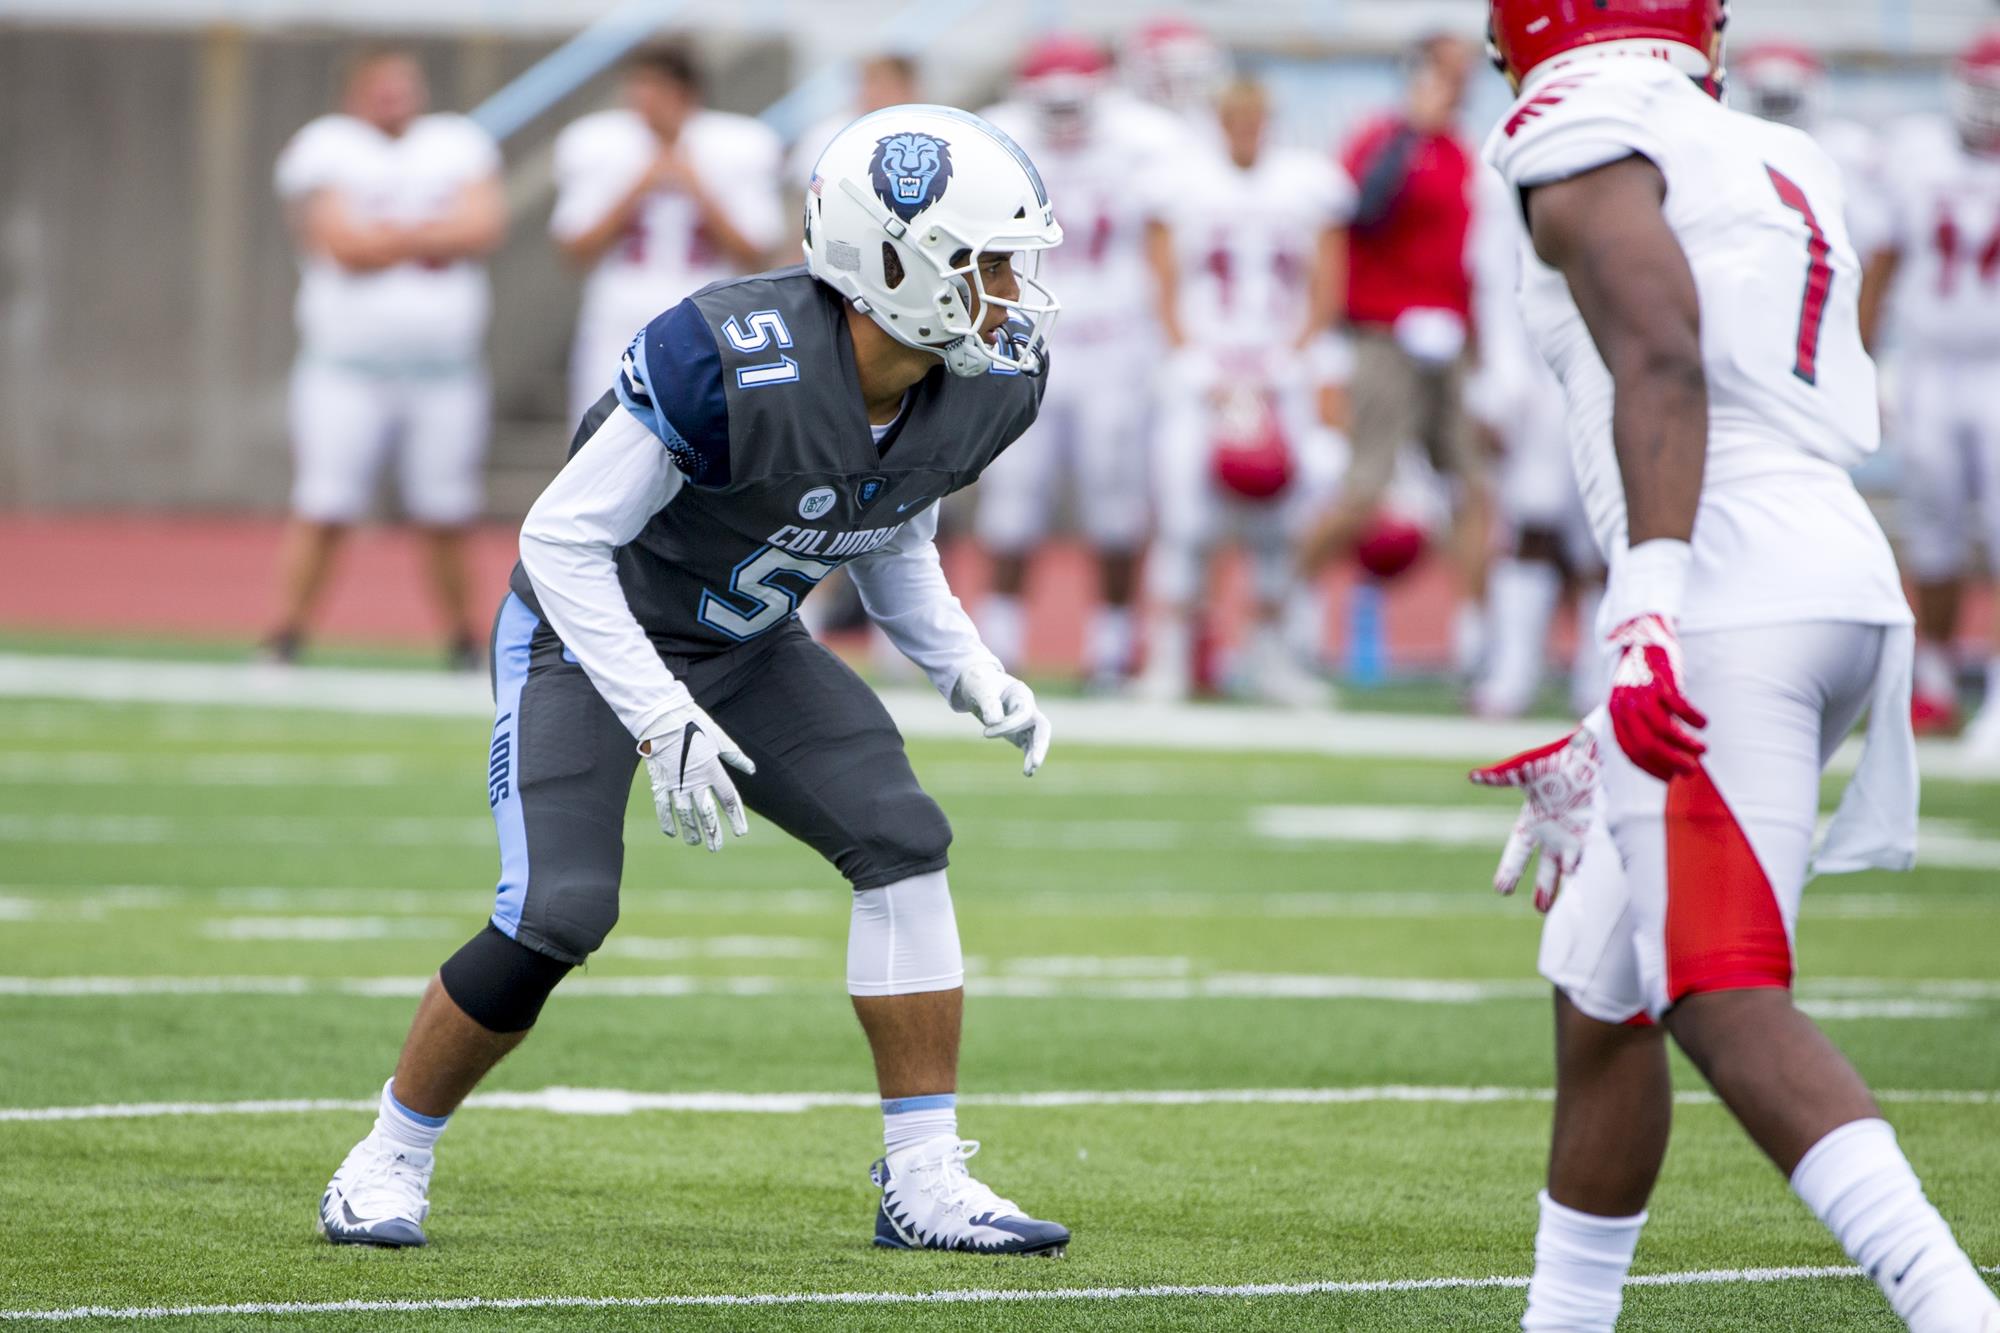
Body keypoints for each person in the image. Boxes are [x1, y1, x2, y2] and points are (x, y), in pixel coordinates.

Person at [317, 106, 1073, 1257]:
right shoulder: (730, 354)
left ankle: (922, 1179)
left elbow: (888, 525)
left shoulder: (986, 379)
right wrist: (657, 712)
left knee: (902, 837)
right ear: (891, 266)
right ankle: (387, 1153)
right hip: (586, 636)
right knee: (558, 909)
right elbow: (558, 539)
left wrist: (965, 665)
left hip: (746, 646)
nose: (1015, 292)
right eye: (991, 262)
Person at [1475, 4, 2000, 1331]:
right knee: (1601, 986)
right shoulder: (1770, 148)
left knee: (1719, 992)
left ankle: (1954, 1308)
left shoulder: (1576, 121)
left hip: (1721, 585)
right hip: (1825, 571)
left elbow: (1662, 350)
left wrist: (1648, 613)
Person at [265, 47, 506, 669]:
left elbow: (481, 227)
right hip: (346, 372)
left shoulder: (458, 142)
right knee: (323, 504)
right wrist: (429, 230)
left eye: (404, 87)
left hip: (444, 373)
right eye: (382, 88)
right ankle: (284, 636)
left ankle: (461, 640)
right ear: (355, 94)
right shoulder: (327, 146)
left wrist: (388, 234)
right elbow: (342, 244)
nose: (394, 99)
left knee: (448, 511)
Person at [1136, 78, 1350, 705]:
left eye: (1255, 117)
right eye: (1236, 116)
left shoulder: (1306, 184)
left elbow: (1327, 286)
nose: (1246, 127)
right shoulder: (1182, 182)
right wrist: (1196, 359)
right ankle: (1170, 660)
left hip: (1278, 374)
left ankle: (1271, 657)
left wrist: (1292, 360)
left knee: (1278, 529)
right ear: (1219, 119)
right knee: (1185, 524)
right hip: (1204, 373)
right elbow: (1163, 280)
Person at [974, 35, 1179, 686]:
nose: (1063, 120)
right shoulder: (996, 137)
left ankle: (1113, 640)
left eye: (1075, 105)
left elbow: (1168, 237)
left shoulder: (1147, 140)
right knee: (1011, 490)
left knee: (1114, 497)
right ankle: (999, 635)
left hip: (1115, 341)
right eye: (1050, 106)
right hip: (1024, 333)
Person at [1301, 33, 1490, 679]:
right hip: (1384, 333)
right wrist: (1411, 132)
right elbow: (1363, 211)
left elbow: (1470, 264)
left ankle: (1474, 640)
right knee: (1365, 485)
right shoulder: (1382, 140)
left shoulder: (1465, 153)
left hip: (1450, 339)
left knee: (1471, 484)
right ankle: (1285, 617)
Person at [1859, 30, 2000, 750]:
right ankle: (1937, 681)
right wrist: (1859, 361)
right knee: (1935, 529)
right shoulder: (1917, 154)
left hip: (1997, 370)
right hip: (1932, 366)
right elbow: (1883, 261)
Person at [552, 43, 785, 427]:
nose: (644, 99)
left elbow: (756, 250)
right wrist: (638, 186)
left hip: (703, 313)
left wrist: (697, 186)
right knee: (600, 434)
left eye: (656, 87)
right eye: (638, 86)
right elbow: (575, 248)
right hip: (617, 315)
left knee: (704, 436)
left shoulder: (739, 144)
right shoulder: (598, 143)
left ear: (686, 92)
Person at [1467, 162, 1604, 719]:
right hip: (1540, 367)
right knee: (1532, 516)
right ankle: (1513, 669)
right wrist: (1501, 376)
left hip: (1610, 357)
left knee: (1606, 533)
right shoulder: (1514, 163)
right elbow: (1494, 279)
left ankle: (1601, 677)